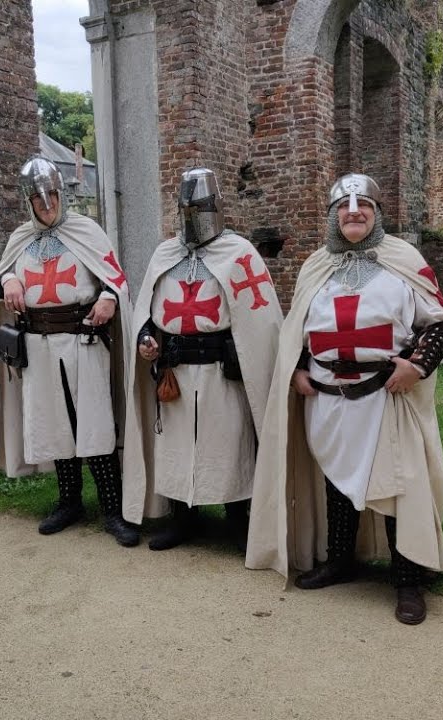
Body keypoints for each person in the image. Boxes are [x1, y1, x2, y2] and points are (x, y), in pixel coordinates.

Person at [245, 173, 443, 624]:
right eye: (344, 207)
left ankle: (407, 579)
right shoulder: (316, 265)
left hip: (384, 395)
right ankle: (341, 561)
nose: (353, 212)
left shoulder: (403, 260)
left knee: (399, 487)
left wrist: (416, 365)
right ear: (333, 215)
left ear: (377, 214)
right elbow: (302, 325)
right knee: (337, 484)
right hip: (327, 397)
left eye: (363, 207)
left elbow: (441, 322)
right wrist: (300, 366)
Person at [0, 156, 140, 547]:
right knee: (55, 425)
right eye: (39, 199)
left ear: (60, 194)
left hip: (83, 340)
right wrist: (9, 280)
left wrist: (108, 297)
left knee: (94, 423)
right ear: (28, 201)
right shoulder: (20, 239)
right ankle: (69, 503)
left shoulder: (86, 230)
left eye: (52, 195)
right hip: (37, 345)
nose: (47, 204)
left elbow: (116, 278)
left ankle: (113, 511)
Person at [122, 167, 282, 552]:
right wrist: (146, 338)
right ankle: (182, 520)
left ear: (218, 207)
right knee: (176, 448)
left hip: (221, 372)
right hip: (174, 371)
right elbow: (146, 311)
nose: (195, 215)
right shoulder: (165, 253)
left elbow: (261, 320)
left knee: (230, 445)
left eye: (203, 206)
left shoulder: (239, 253)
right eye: (188, 208)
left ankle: (239, 521)